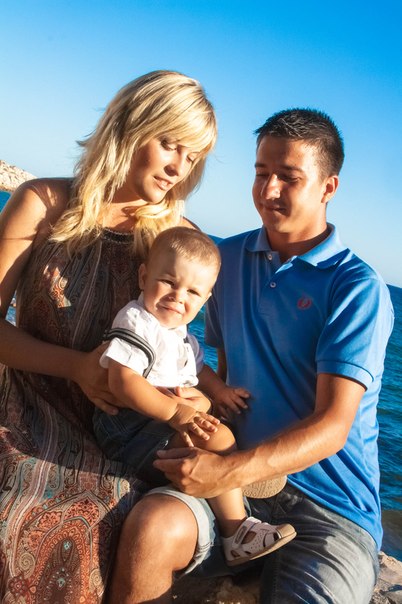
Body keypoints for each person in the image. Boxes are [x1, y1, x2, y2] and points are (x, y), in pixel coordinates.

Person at [109, 108, 394, 604]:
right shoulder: (226, 261)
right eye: (261, 173)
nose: (269, 190)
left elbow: (333, 425)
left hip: (330, 508)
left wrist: (227, 470)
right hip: (233, 490)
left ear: (328, 187)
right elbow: (217, 370)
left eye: (289, 177)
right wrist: (196, 402)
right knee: (153, 526)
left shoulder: (357, 288)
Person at [0, 70, 218, 602]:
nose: (179, 168)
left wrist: (201, 399)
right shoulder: (44, 203)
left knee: (90, 519)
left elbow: (183, 354)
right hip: (26, 410)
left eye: (193, 156)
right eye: (170, 144)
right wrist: (76, 367)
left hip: (123, 436)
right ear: (130, 125)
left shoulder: (177, 244)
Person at [93, 226, 296, 567]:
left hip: (155, 426)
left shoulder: (180, 335)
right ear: (143, 277)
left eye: (192, 292)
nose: (177, 297)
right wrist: (176, 413)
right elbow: (122, 381)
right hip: (127, 429)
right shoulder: (137, 321)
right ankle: (236, 530)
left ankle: (233, 479)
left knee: (220, 432)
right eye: (168, 282)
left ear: (204, 301)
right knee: (217, 437)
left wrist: (219, 393)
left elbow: (199, 370)